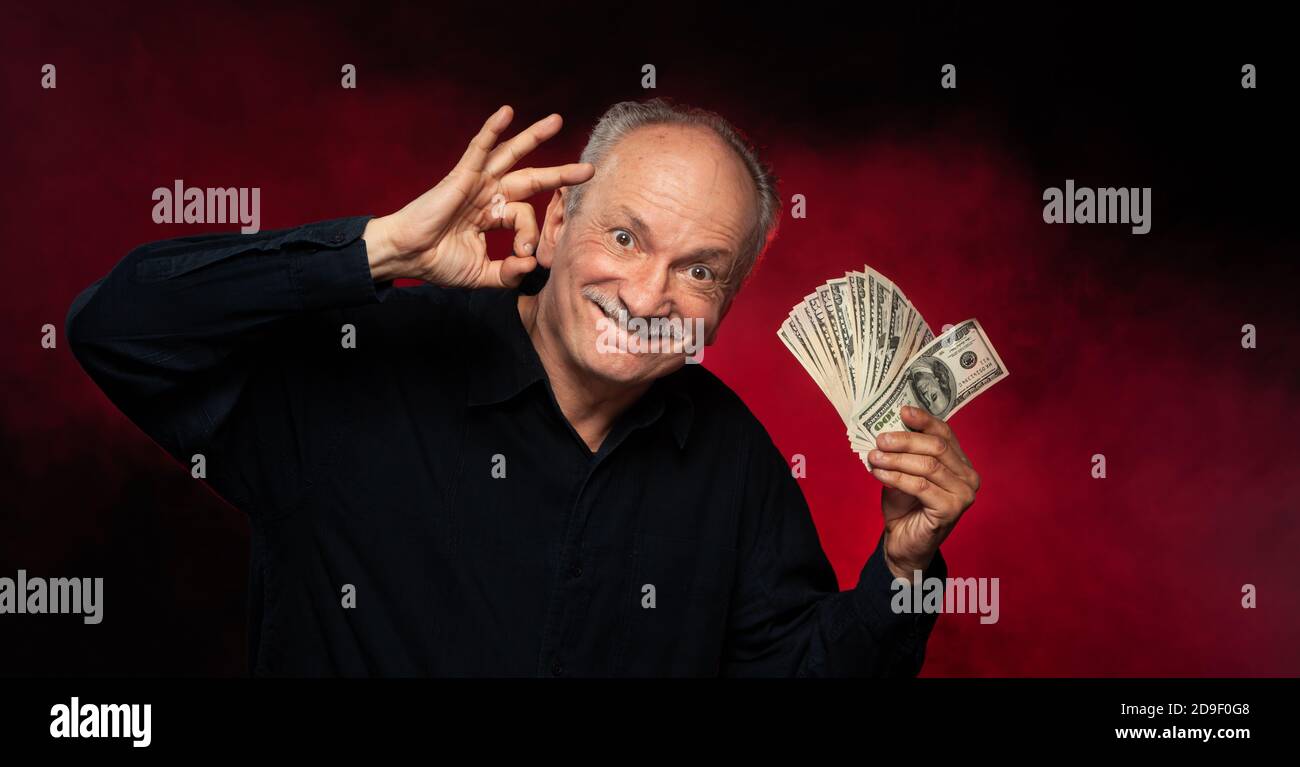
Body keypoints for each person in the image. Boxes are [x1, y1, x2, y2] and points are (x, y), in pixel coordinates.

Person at [66, 98, 981, 677]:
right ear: (552, 223)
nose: (649, 293)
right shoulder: (359, 366)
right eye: (625, 239)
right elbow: (119, 327)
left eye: (700, 271)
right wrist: (376, 249)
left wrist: (903, 571)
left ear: (729, 300)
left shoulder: (735, 461)